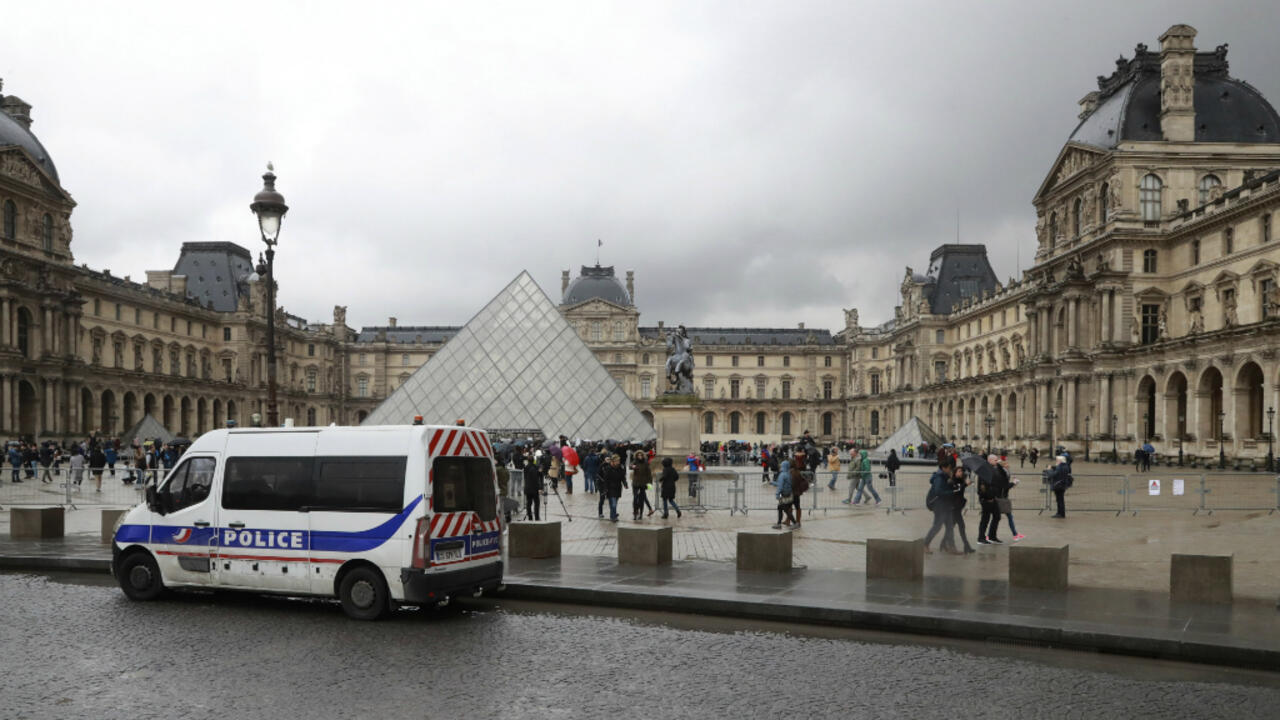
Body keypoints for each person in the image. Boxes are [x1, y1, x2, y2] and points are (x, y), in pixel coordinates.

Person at [922, 455, 958, 554]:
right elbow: (938, 491)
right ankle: (925, 544)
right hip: (939, 505)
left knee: (950, 526)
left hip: (946, 505)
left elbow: (948, 487)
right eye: (949, 468)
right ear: (944, 468)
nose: (950, 470)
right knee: (937, 526)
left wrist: (952, 483)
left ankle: (951, 547)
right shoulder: (939, 478)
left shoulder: (946, 477)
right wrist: (951, 492)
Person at [945, 464, 976, 553]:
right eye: (959, 471)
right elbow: (956, 490)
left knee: (952, 527)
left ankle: (943, 544)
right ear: (955, 473)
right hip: (954, 508)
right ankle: (966, 546)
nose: (961, 473)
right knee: (961, 526)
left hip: (957, 507)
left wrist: (966, 482)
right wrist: (965, 484)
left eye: (961, 471)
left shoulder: (960, 480)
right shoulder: (952, 481)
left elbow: (961, 487)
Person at [976, 454, 1002, 545]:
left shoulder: (993, 469)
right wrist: (988, 497)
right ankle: (981, 538)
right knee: (985, 519)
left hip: (993, 498)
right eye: (995, 460)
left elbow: (998, 481)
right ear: (989, 460)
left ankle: (992, 536)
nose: (997, 462)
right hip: (986, 499)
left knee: (997, 516)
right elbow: (983, 487)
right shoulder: (984, 471)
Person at [599, 453, 627, 522]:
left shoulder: (620, 468)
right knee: (613, 504)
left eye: (618, 461)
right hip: (610, 488)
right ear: (613, 461)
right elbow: (606, 480)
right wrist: (605, 488)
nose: (618, 462)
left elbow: (623, 477)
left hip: (618, 488)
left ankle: (612, 515)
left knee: (614, 504)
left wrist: (625, 483)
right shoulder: (608, 468)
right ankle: (613, 517)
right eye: (616, 461)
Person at [771, 460, 797, 529]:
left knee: (786, 510)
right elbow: (783, 484)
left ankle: (795, 523)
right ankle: (779, 523)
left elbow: (780, 486)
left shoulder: (782, 475)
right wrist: (773, 483)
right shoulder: (788, 474)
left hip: (784, 495)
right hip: (789, 494)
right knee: (780, 508)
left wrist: (777, 494)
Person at [631, 450, 654, 521]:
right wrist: (632, 466)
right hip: (635, 483)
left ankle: (641, 514)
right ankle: (635, 513)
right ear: (636, 456)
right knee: (635, 499)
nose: (640, 456)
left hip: (643, 483)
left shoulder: (646, 463)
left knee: (641, 499)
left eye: (641, 455)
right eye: (638, 455)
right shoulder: (635, 462)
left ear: (643, 456)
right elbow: (630, 466)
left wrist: (650, 484)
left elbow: (649, 475)